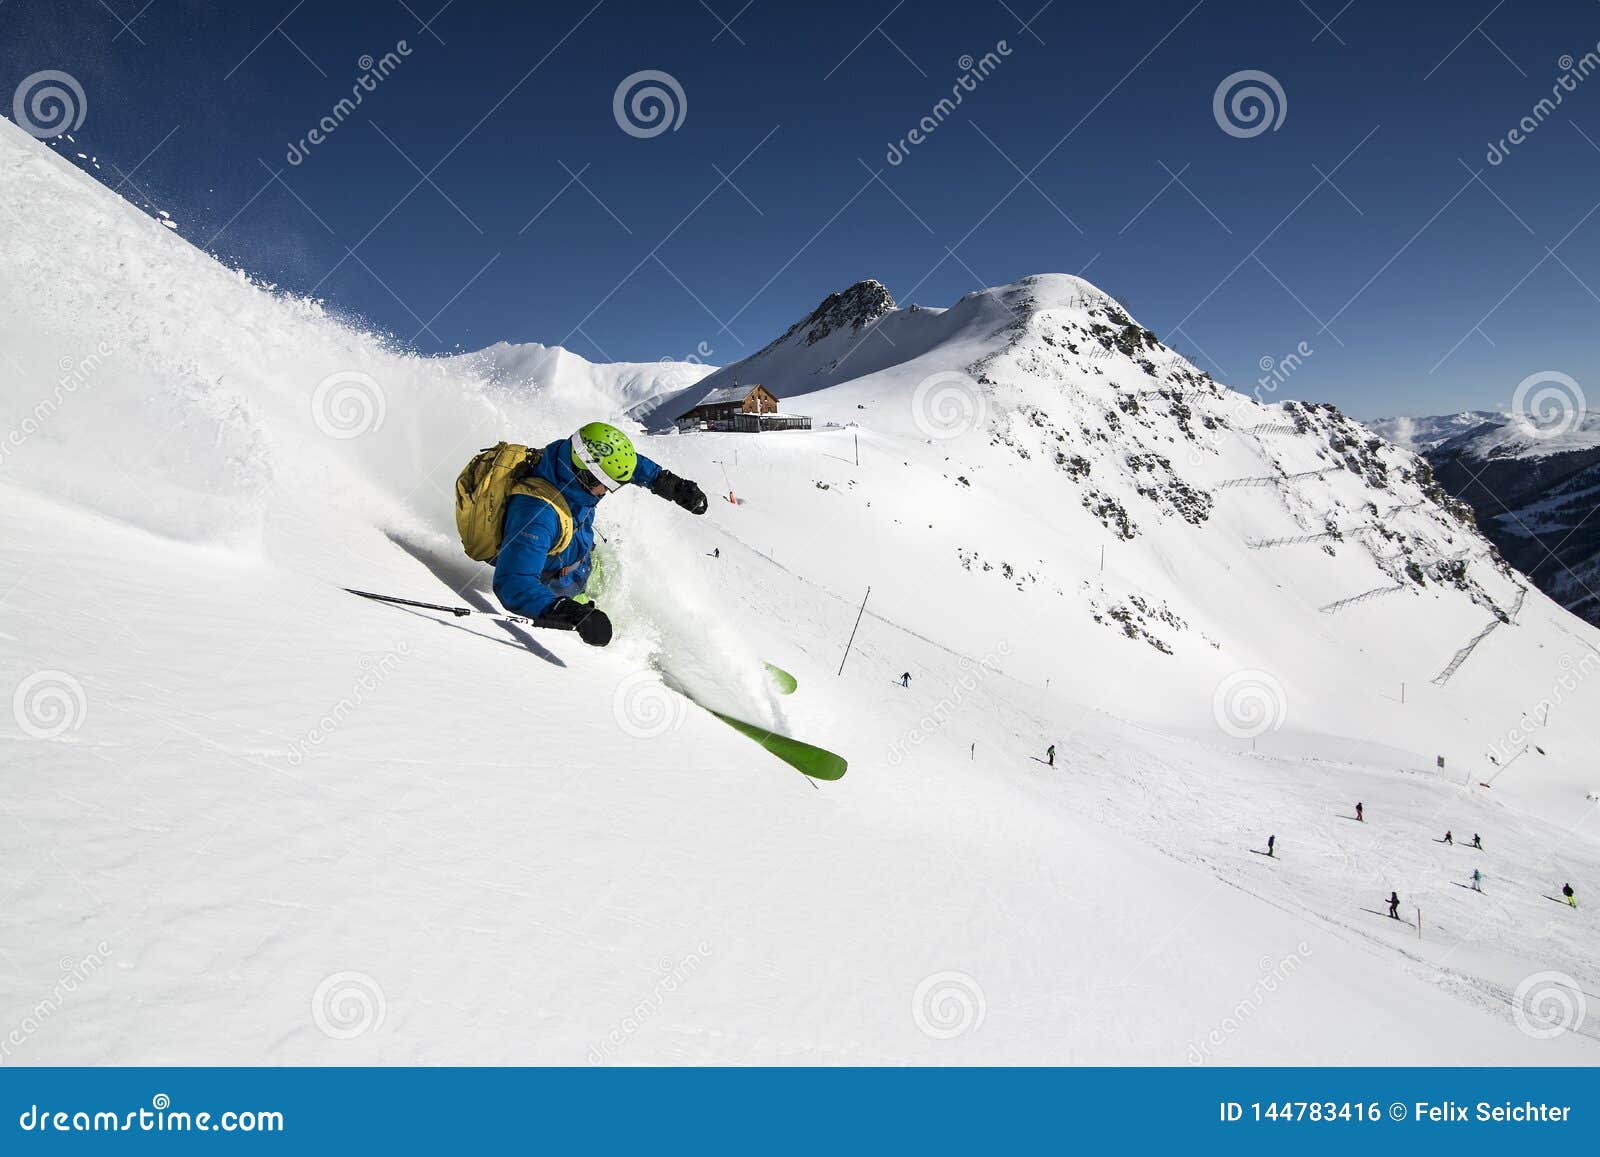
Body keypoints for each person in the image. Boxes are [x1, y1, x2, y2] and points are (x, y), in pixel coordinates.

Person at [483, 423, 706, 647]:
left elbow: (627, 465)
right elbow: (514, 582)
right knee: (614, 632)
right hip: (560, 586)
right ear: (586, 475)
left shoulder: (566, 460)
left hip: (583, 560)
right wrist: (572, 613)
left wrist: (671, 485)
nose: (607, 491)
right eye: (607, 484)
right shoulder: (537, 516)